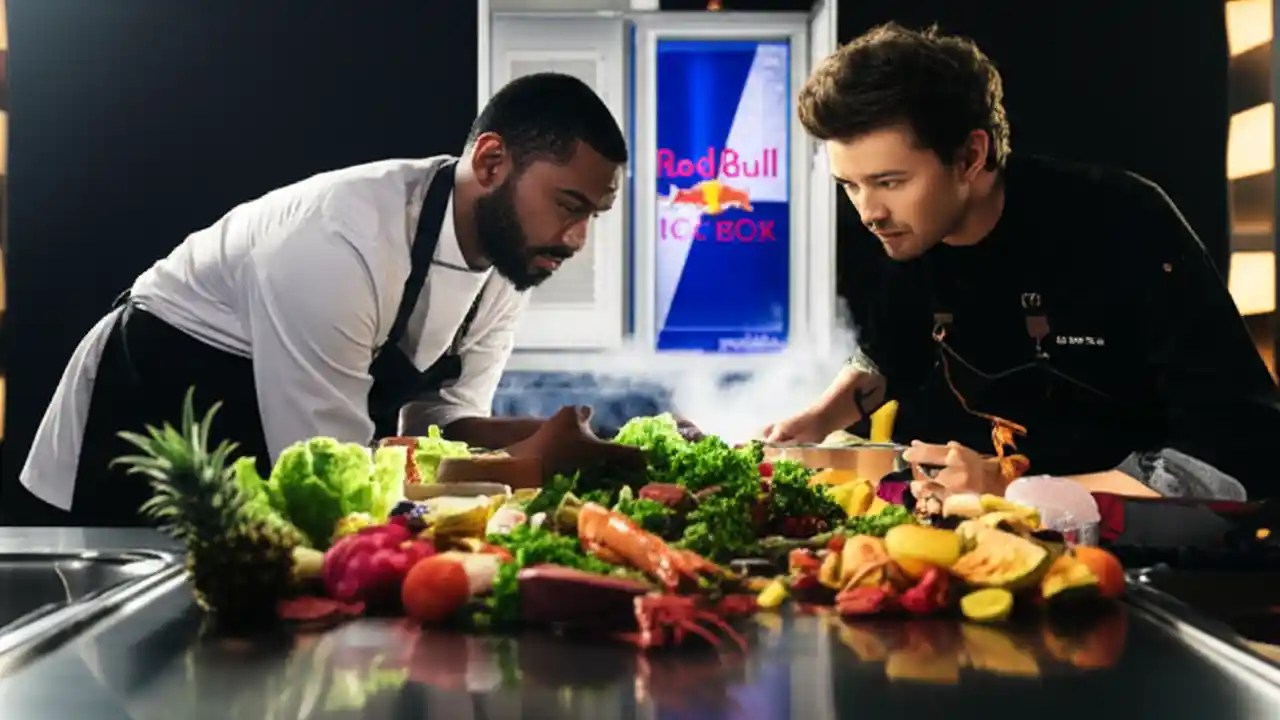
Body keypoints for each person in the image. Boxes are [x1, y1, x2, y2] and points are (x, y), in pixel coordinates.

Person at [20, 72, 645, 526]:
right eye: (568, 205)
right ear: (490, 162)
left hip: (265, 460)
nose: (577, 240)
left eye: (595, 213)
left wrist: (588, 441)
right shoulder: (338, 243)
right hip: (140, 422)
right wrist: (534, 464)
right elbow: (343, 481)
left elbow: (437, 429)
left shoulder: (507, 268)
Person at [761, 23, 1280, 501]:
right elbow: (887, 356)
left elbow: (1227, 454)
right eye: (850, 185)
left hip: (1144, 554)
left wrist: (1010, 490)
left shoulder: (1122, 219)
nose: (869, 213)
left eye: (890, 182)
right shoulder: (913, 232)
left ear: (970, 157)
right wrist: (817, 418)